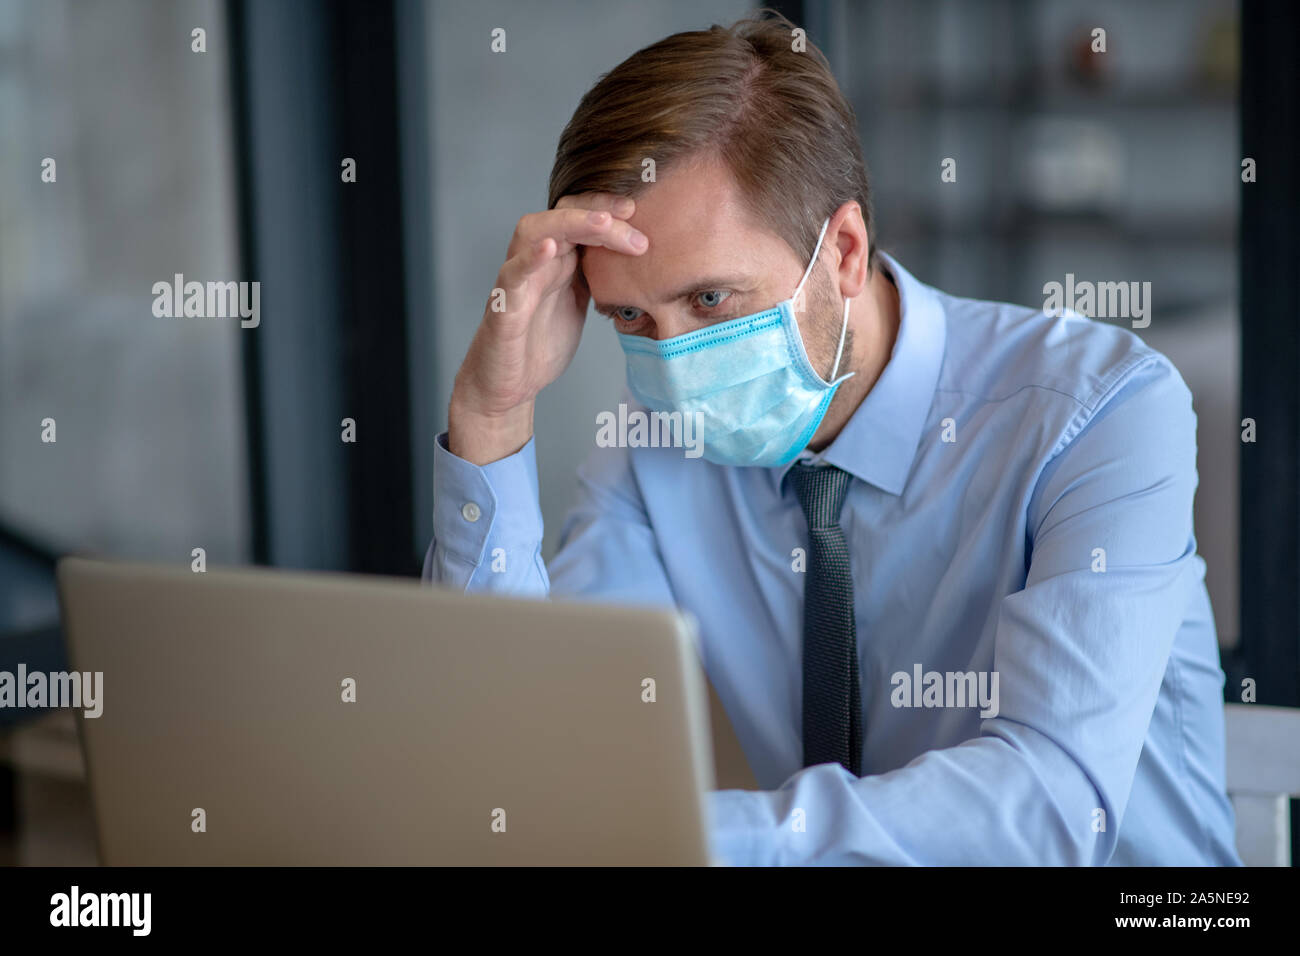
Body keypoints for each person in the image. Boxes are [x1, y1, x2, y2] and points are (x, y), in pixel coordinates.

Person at [422, 12, 1241, 866]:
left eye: (710, 302)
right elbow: (525, 759)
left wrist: (673, 838)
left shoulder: (1098, 410)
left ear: (843, 250)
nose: (672, 361)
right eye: (630, 315)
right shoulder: (653, 449)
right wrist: (491, 415)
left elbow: (1046, 807)